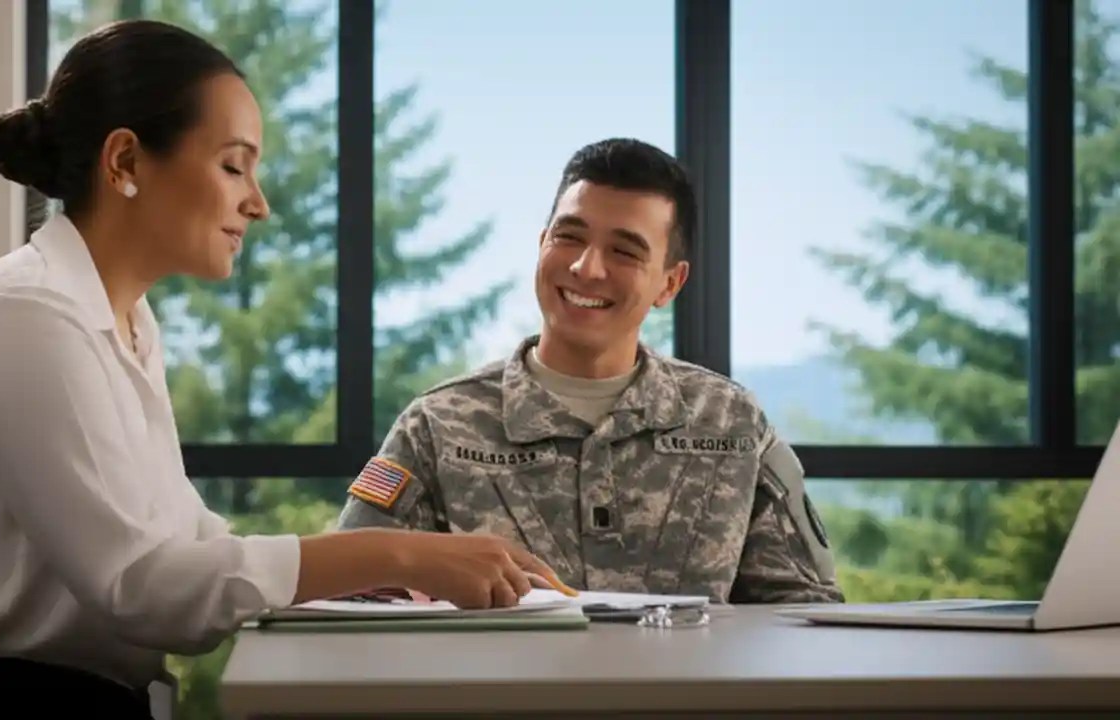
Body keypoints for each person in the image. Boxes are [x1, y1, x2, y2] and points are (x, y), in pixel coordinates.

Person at [0, 19, 565, 719]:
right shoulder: (23, 318)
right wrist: (399, 555)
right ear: (127, 163)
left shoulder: (124, 322)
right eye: (233, 165)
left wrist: (386, 573)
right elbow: (141, 586)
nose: (257, 203)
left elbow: (189, 542)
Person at [336, 138, 844, 605]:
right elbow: (348, 598)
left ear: (670, 283)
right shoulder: (439, 425)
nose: (586, 268)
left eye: (624, 251)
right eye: (569, 237)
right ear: (541, 244)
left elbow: (803, 611)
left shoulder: (730, 422)